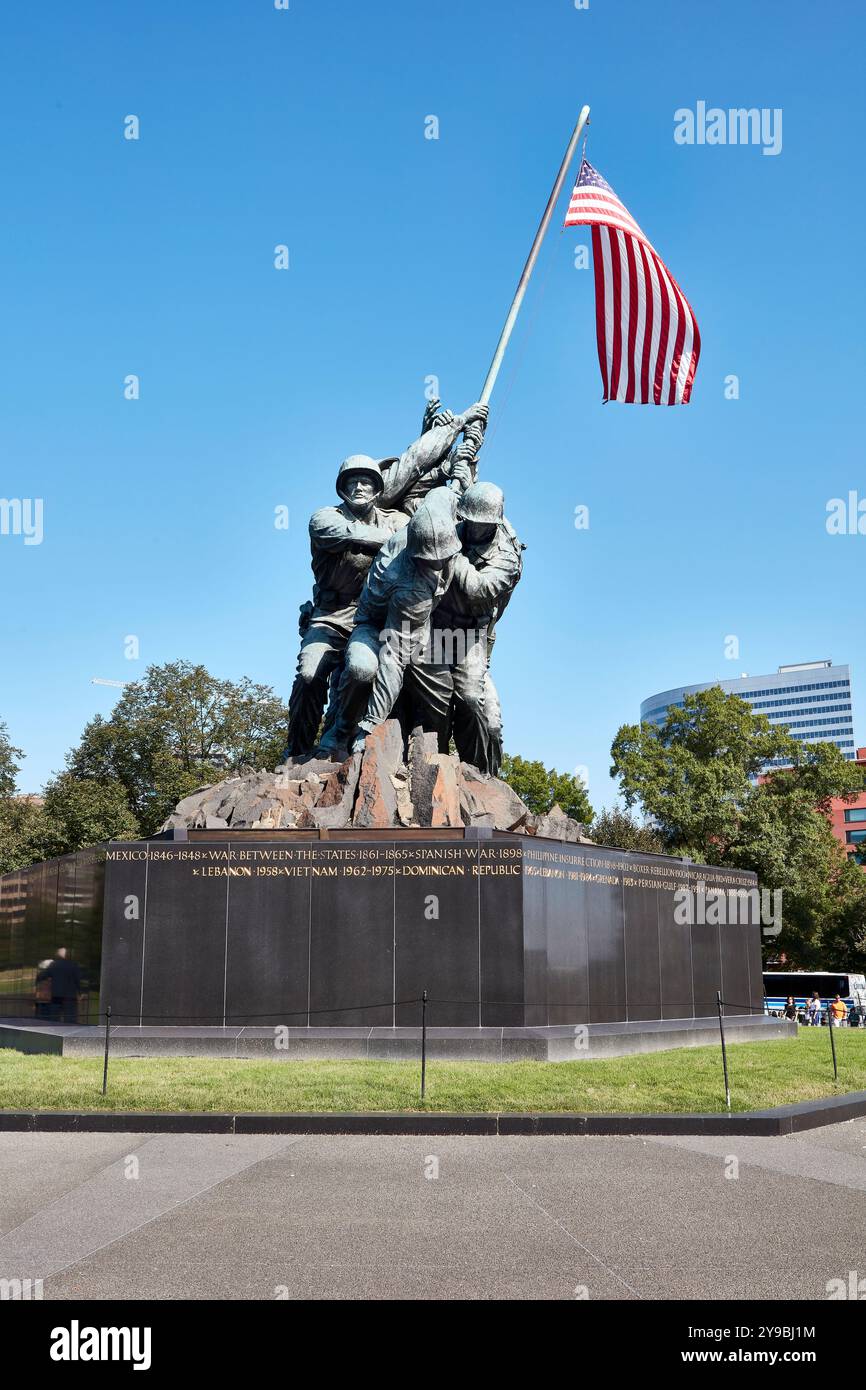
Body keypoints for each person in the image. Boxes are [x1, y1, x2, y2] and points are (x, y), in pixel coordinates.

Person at [283, 402, 488, 757]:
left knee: (369, 672)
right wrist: (406, 537)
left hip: (378, 617)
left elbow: (420, 474)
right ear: (341, 487)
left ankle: (353, 739)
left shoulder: (394, 519)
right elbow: (364, 535)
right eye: (353, 481)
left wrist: (462, 445)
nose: (360, 486)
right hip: (333, 615)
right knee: (309, 676)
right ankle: (297, 751)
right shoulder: (324, 518)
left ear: (378, 489)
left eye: (367, 481)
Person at [403, 479, 524, 776]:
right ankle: (433, 764)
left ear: (494, 524)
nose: (473, 529)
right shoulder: (454, 529)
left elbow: (478, 588)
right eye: (468, 522)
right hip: (435, 628)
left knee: (471, 699)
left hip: (470, 634)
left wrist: (450, 549)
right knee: (433, 700)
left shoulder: (506, 558)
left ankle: (477, 775)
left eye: (481, 525)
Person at [36, 947, 82, 1024]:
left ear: (58, 955)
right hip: (70, 997)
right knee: (70, 1019)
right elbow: (78, 980)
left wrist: (37, 980)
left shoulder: (54, 965)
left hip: (56, 995)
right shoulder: (73, 965)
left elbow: (42, 975)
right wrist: (80, 992)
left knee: (54, 1019)